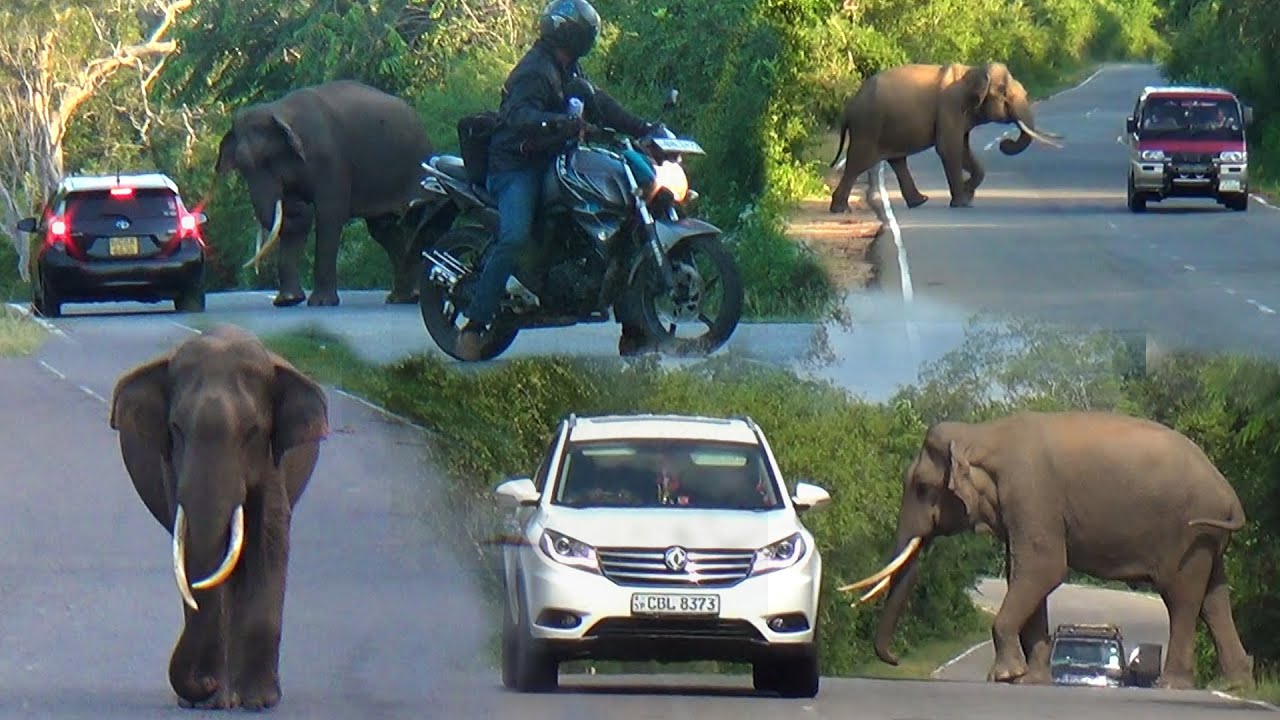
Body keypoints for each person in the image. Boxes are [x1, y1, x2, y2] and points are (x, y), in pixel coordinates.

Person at [456, 0, 660, 361]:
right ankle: (474, 323)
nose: (590, 37)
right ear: (568, 32)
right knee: (515, 236)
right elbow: (518, 116)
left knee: (620, 218)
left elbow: (599, 103)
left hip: (555, 159)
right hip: (515, 166)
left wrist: (644, 128)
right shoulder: (534, 71)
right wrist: (562, 124)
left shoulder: (568, 67)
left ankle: (634, 328)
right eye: (585, 31)